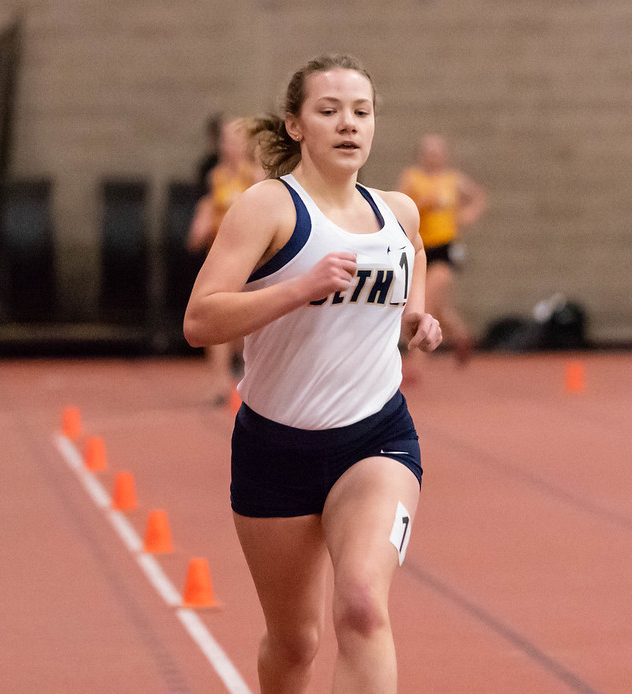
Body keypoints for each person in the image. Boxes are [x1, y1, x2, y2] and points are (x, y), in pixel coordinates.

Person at [184, 55, 442, 693]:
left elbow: (412, 255)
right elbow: (200, 320)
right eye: (329, 111)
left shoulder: (398, 210)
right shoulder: (267, 207)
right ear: (297, 126)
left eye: (362, 111)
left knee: (361, 605)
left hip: (375, 440)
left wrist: (416, 317)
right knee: (295, 643)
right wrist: (297, 289)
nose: (348, 124)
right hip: (275, 447)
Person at [188, 117, 265, 405]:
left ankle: (248, 374)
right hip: (220, 258)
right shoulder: (216, 177)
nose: (229, 146)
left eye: (235, 140)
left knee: (244, 326)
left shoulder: (256, 178)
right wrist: (204, 221)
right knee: (215, 321)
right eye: (225, 141)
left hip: (250, 260)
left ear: (246, 144)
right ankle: (220, 384)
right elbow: (208, 208)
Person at [398, 133, 486, 372]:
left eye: (437, 153)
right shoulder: (412, 179)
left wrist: (464, 216)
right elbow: (400, 209)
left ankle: (415, 366)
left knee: (423, 303)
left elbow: (478, 198)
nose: (433, 158)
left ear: (444, 156)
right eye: (428, 153)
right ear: (421, 156)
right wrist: (423, 204)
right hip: (419, 249)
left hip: (444, 251)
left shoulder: (453, 181)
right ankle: (462, 336)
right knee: (441, 310)